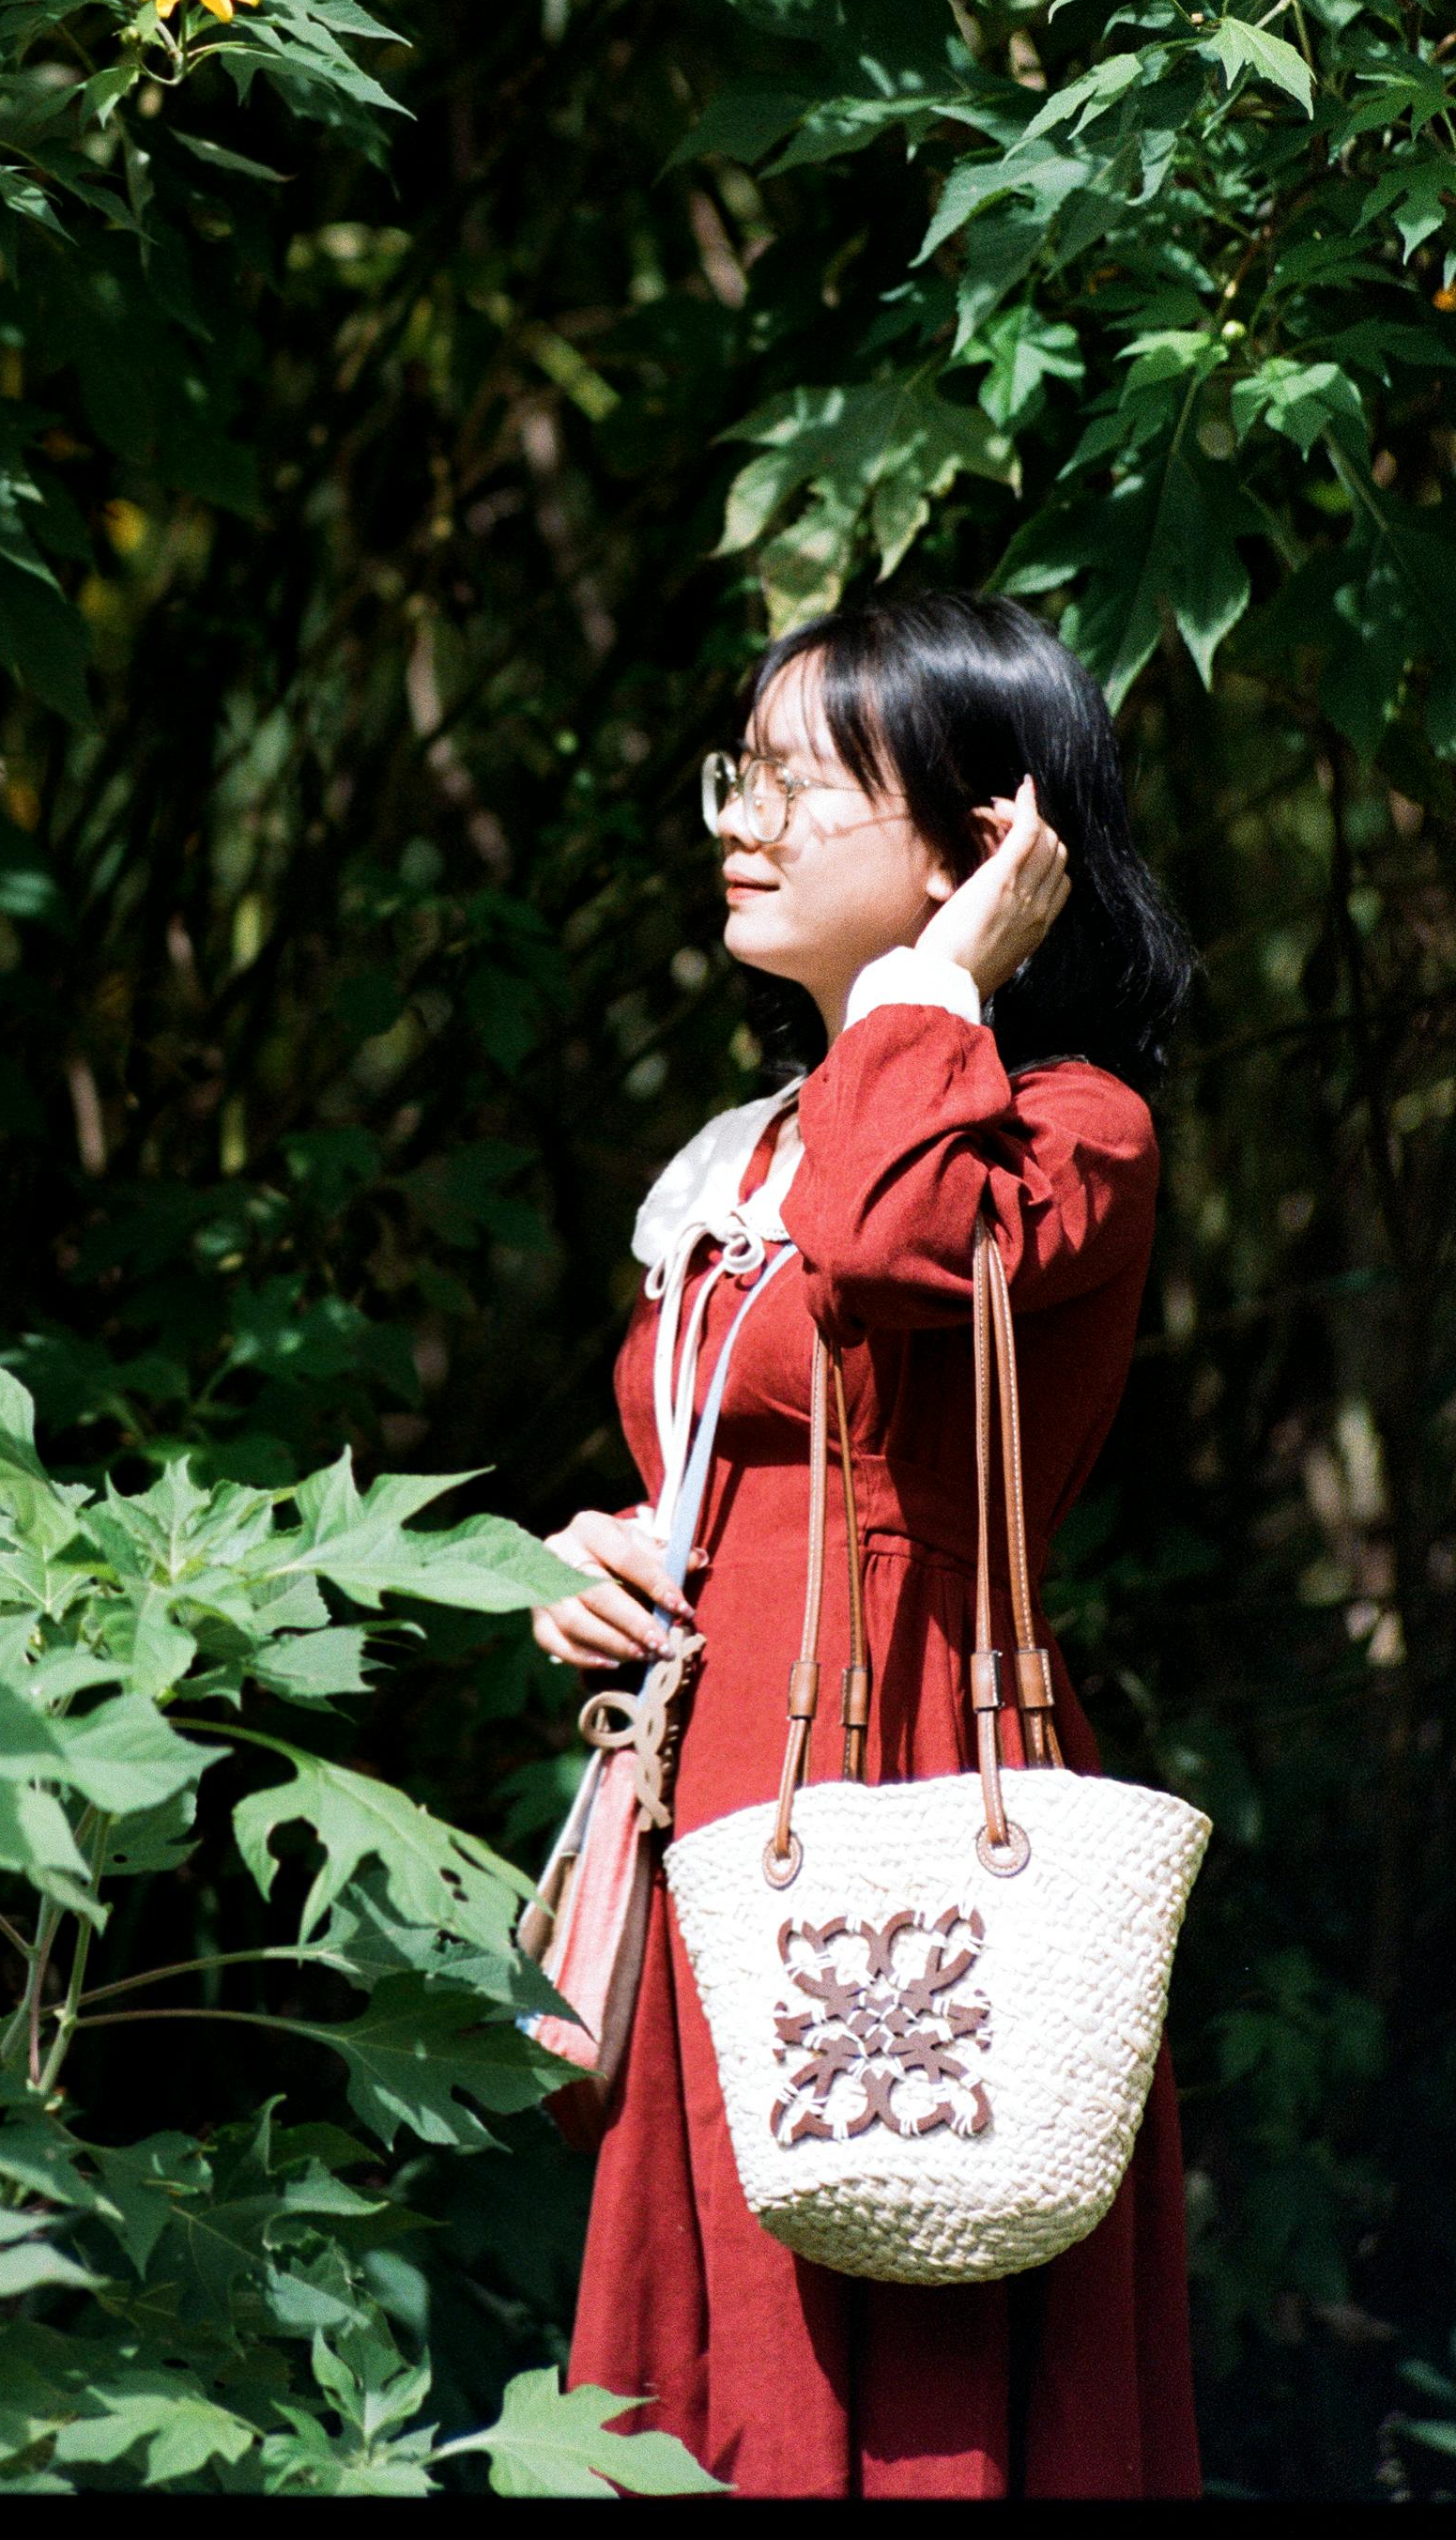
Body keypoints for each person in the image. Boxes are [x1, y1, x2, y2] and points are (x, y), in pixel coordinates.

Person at [536, 590, 1204, 2497]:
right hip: (713, 1804)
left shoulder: (1063, 1128)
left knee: (901, 2356)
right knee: (716, 2369)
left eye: (795, 785)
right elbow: (710, 1445)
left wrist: (937, 984)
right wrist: (590, 1567)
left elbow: (894, 1245)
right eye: (729, 777)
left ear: (980, 840)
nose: (737, 821)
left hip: (909, 1794)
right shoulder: (749, 1145)